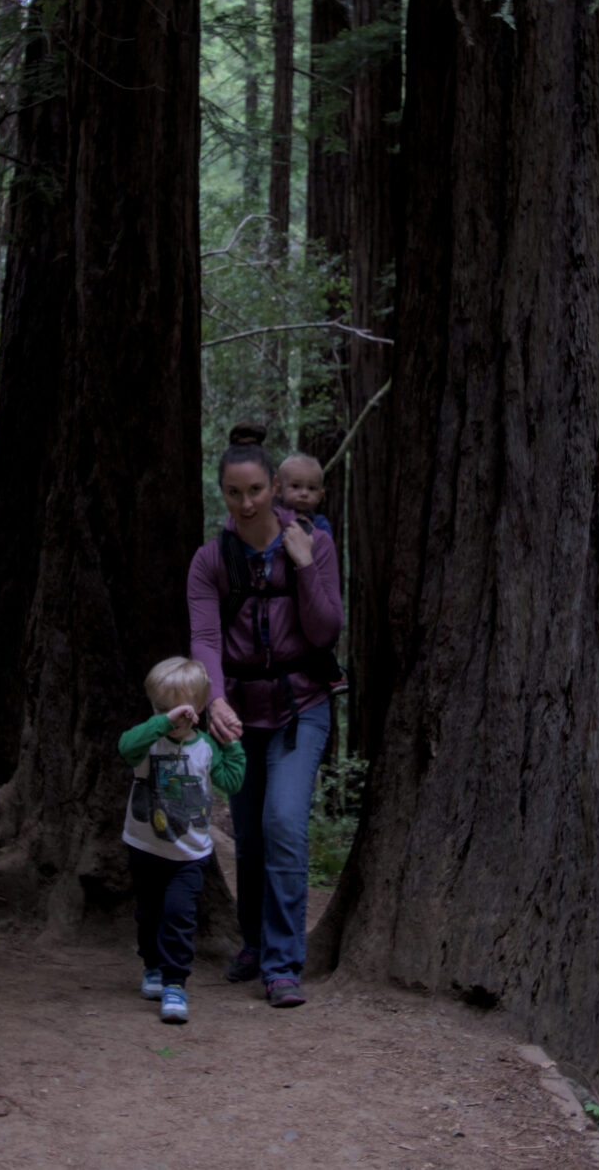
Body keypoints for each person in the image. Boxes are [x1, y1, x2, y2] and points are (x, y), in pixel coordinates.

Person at [188, 424, 343, 1008]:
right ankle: (253, 944)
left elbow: (328, 628)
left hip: (302, 708)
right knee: (248, 836)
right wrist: (215, 700)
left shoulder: (314, 542)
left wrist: (303, 565)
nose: (247, 502)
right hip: (239, 715)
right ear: (223, 492)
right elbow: (205, 637)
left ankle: (282, 965)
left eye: (256, 489)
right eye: (234, 492)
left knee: (283, 825)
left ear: (274, 485)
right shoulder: (211, 559)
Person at [119, 656, 246, 1025]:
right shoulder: (148, 741)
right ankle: (152, 968)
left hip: (189, 855)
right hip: (144, 847)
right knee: (149, 914)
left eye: (181, 712)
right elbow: (125, 746)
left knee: (178, 916)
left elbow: (231, 782)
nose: (173, 718)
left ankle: (175, 982)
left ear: (198, 709)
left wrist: (234, 746)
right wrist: (161, 722)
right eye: (162, 709)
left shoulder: (205, 747)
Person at [276, 452, 332, 536]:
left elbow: (326, 547)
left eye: (311, 488)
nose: (304, 494)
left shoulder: (320, 524)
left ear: (320, 496)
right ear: (279, 490)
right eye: (295, 486)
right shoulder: (272, 517)